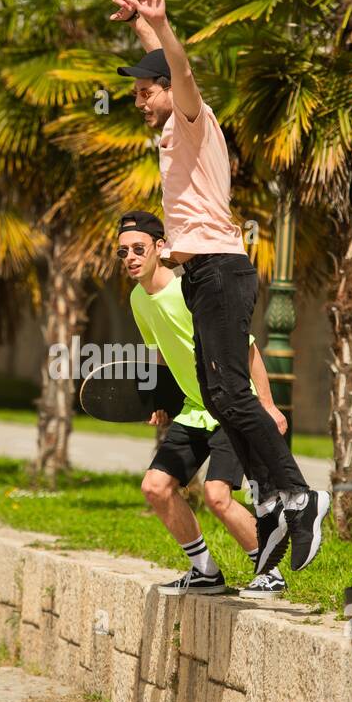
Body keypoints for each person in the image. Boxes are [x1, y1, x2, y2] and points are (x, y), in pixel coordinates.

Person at [111, 0, 330, 584]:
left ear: (166, 90)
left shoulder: (191, 116)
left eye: (143, 90)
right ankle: (271, 496)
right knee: (215, 397)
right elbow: (160, 58)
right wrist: (140, 23)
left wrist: (164, 26)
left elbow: (178, 66)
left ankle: (297, 494)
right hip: (206, 270)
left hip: (220, 270)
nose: (138, 100)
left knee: (231, 395)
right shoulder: (169, 132)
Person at [118, 211, 291, 597]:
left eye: (138, 248)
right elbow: (162, 354)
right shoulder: (137, 300)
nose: (130, 257)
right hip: (195, 409)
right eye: (123, 252)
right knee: (156, 487)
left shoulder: (189, 291)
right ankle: (205, 572)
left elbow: (246, 349)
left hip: (231, 404)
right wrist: (163, 400)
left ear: (160, 248)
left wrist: (268, 404)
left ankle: (270, 571)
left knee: (217, 495)